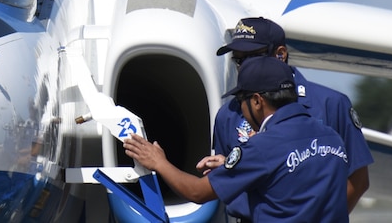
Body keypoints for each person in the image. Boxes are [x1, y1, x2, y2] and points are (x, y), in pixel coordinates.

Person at [123, 56, 350, 223]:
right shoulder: (331, 137)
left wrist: (159, 162)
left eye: (240, 100)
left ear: (257, 101)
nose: (239, 109)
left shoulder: (262, 147)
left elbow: (197, 192)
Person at [212, 17, 373, 221]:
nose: (244, 67)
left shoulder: (331, 104)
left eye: (252, 57)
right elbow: (223, 185)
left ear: (280, 54)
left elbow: (358, 180)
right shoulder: (228, 114)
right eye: (239, 60)